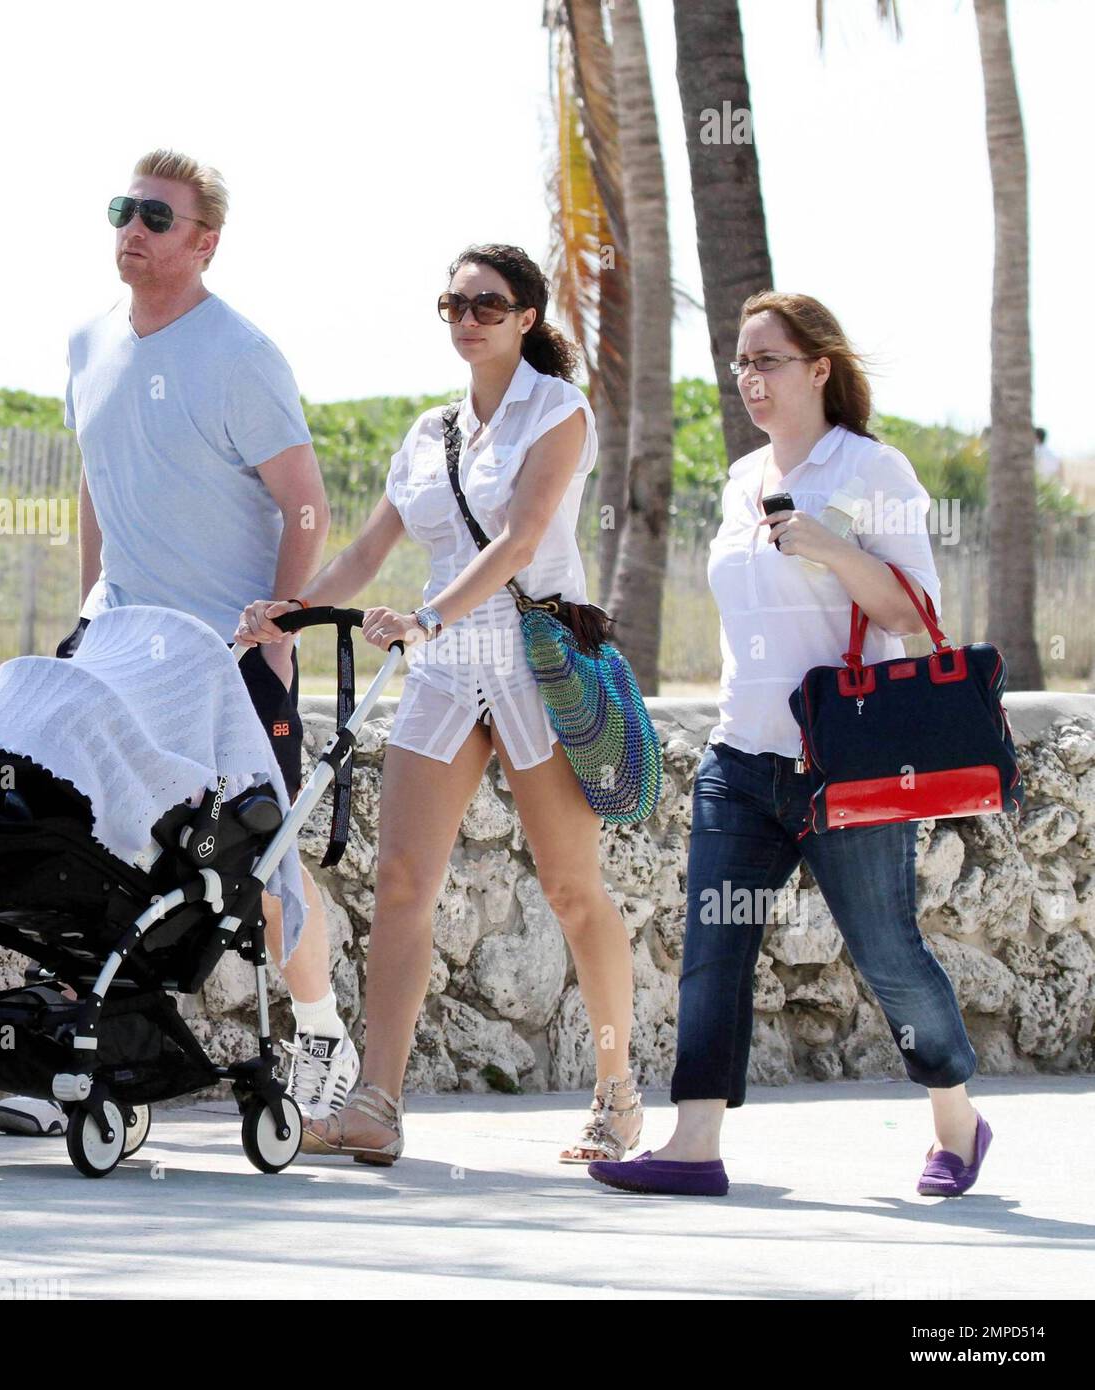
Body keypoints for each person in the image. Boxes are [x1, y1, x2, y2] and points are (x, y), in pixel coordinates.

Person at [236, 244, 643, 1166]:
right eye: (452, 304)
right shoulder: (427, 432)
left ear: (528, 317)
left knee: (573, 889)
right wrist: (289, 613)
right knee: (400, 884)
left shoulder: (559, 411)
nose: (467, 319)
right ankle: (377, 1102)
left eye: (488, 305)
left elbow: (521, 537)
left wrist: (426, 614)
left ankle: (617, 1094)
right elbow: (365, 554)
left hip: (535, 662)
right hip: (444, 665)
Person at [0, 148, 358, 1140]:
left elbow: (307, 503)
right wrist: (87, 619)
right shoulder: (86, 344)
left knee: (262, 858)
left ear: (205, 241)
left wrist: (279, 621)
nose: (134, 229)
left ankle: (322, 1036)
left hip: (229, 666)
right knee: (88, 850)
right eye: (123, 210)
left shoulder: (239, 355)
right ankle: (105, 1066)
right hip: (119, 653)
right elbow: (95, 482)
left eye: (156, 215)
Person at [589, 291, 990, 1198]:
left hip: (843, 763)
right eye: (739, 362)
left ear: (819, 367)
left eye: (768, 360)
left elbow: (920, 620)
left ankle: (957, 1121)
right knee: (714, 945)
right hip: (742, 758)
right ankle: (695, 1145)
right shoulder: (738, 478)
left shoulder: (872, 469)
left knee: (886, 952)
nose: (749, 379)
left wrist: (834, 549)